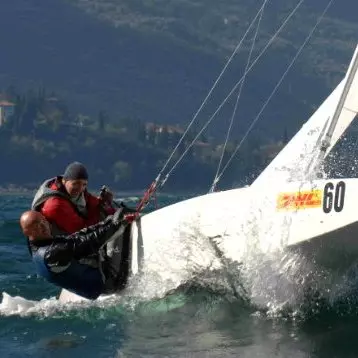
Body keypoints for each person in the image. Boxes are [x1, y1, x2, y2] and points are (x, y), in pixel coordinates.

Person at [20, 209, 130, 300]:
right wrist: (119, 224)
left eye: (43, 221)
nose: (43, 226)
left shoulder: (34, 244)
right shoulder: (52, 253)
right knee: (123, 229)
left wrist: (106, 223)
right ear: (27, 233)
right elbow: (89, 242)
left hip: (94, 281)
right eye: (36, 226)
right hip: (109, 283)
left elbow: (77, 238)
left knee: (111, 221)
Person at [31, 162, 117, 235]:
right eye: (76, 183)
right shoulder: (55, 205)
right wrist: (104, 208)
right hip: (61, 243)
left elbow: (93, 202)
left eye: (84, 184)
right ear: (64, 181)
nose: (80, 188)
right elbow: (82, 230)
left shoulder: (73, 190)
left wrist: (105, 203)